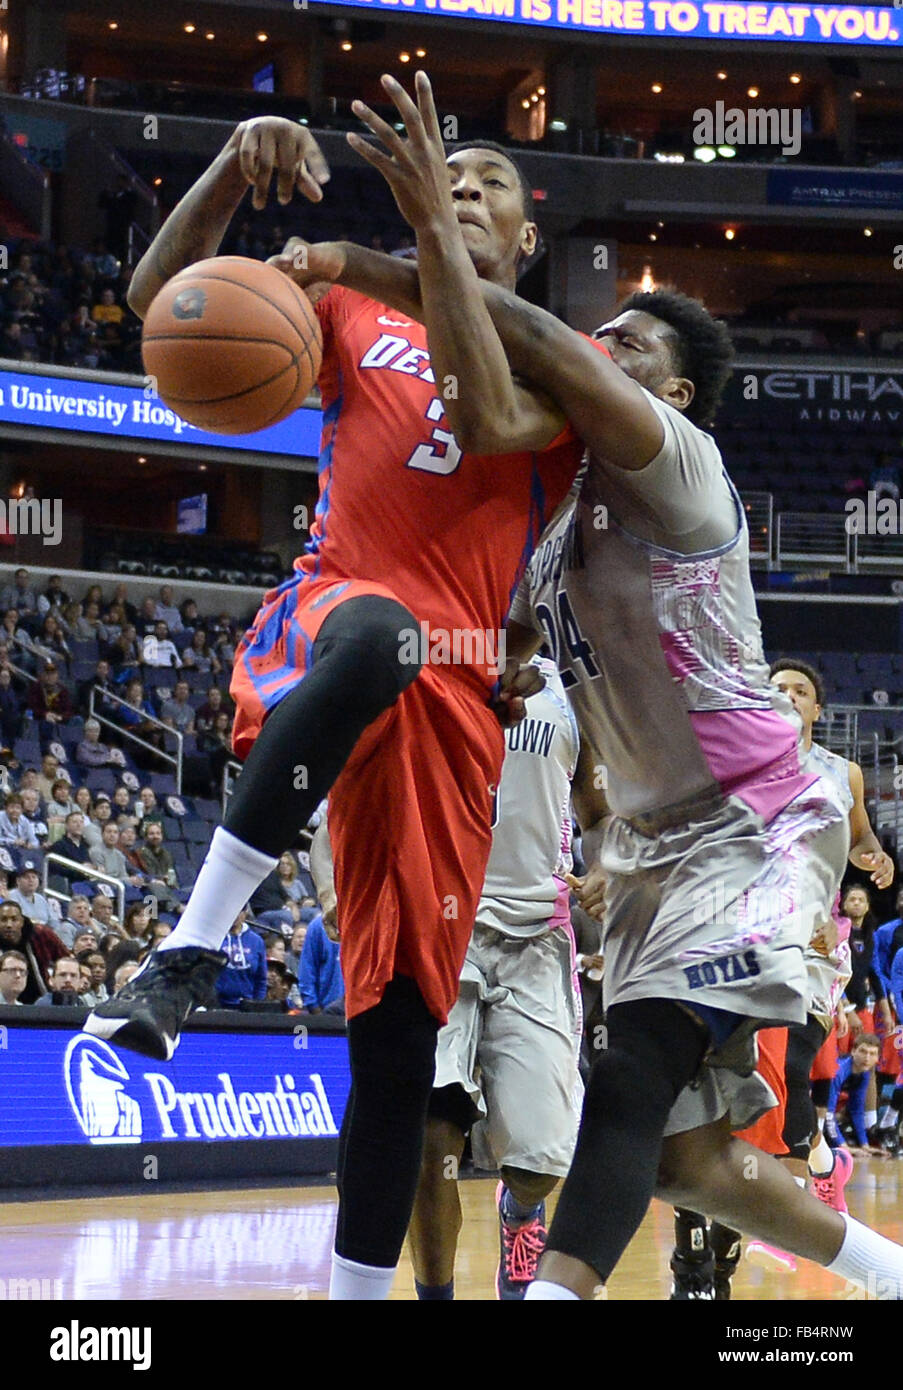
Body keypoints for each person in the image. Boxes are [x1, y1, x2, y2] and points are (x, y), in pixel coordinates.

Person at [297, 71, 903, 1300]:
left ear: (668, 391)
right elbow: (490, 431)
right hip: (643, 846)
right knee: (689, 1159)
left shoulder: (683, 462)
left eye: (625, 347)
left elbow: (519, 341)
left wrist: (387, 241)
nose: (598, 352)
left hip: (753, 823)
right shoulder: (561, 511)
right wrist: (509, 662)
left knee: (624, 1089)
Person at [85, 93, 592, 1303]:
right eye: (449, 175)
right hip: (335, 613)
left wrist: (406, 235)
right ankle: (184, 954)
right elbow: (165, 307)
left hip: (461, 694)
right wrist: (224, 170)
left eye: (490, 184)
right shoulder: (346, 313)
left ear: (527, 239)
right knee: (377, 633)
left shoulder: (557, 370)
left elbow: (481, 405)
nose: (465, 187)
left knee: (404, 1036)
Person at [404, 658, 586, 1300]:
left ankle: (520, 1209)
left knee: (538, 1163)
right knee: (430, 1138)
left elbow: (598, 799)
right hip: (441, 924)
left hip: (539, 933)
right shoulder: (432, 657)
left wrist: (612, 868)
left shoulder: (574, 682)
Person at [0, 899, 68, 1002]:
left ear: (22, 921)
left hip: (41, 1001)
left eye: (14, 919)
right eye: (3, 920)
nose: (9, 925)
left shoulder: (41, 934)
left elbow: (67, 960)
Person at [217, 907, 267, 1009]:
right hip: (216, 1003)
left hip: (246, 1004)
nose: (234, 915)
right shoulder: (214, 937)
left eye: (238, 911)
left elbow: (261, 978)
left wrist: (257, 1004)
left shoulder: (256, 941)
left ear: (245, 913)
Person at [8, 859, 53, 927]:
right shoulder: (11, 896)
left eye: (34, 877)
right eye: (26, 877)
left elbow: (53, 922)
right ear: (18, 881)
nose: (31, 880)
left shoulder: (41, 900)